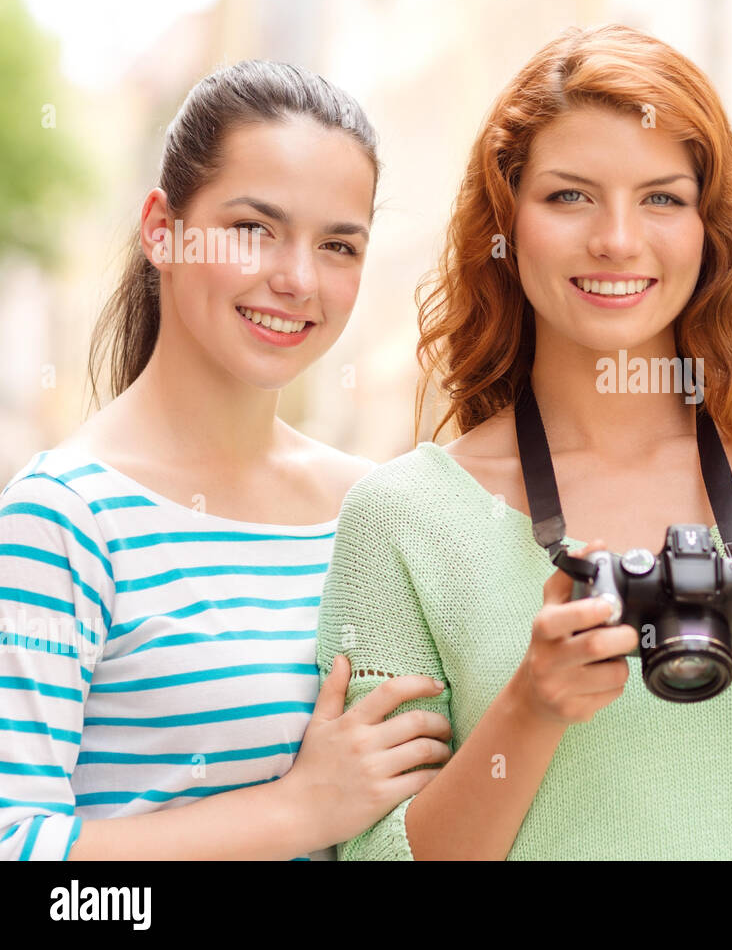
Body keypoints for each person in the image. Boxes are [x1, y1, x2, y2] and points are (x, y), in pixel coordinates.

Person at [315, 24, 732, 860]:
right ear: (507, 220)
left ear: (712, 226)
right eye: (569, 196)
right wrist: (530, 707)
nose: (617, 240)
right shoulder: (399, 518)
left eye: (663, 198)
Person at [0, 60, 449, 860]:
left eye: (338, 244)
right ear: (161, 230)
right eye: (254, 229)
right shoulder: (62, 517)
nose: (297, 279)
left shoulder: (376, 509)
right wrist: (297, 813)